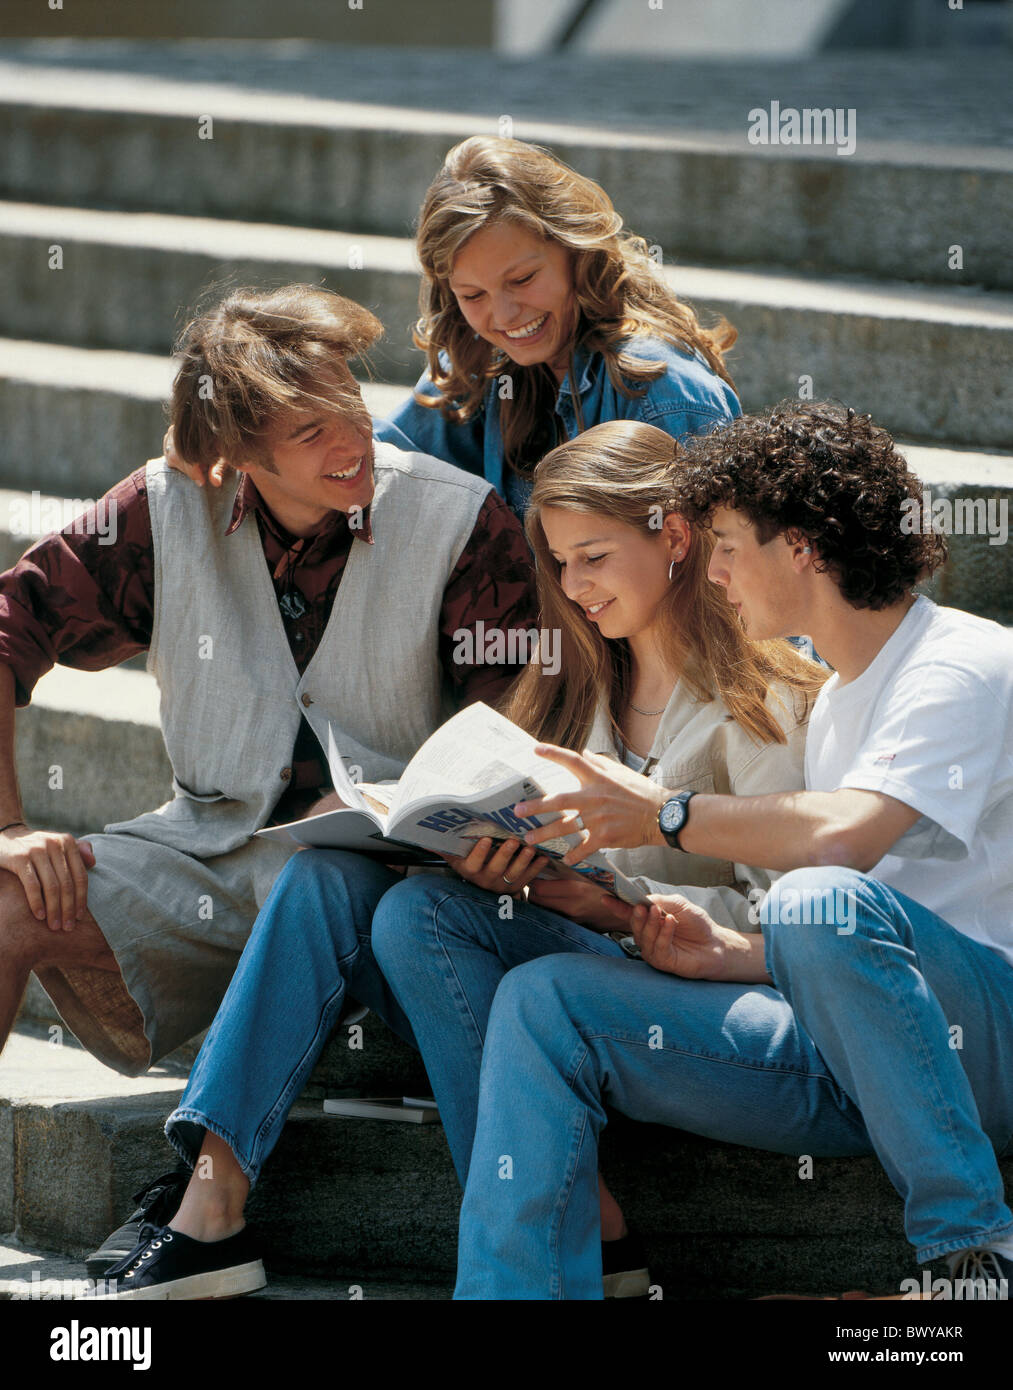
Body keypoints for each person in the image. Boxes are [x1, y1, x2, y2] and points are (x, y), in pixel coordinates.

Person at [0, 284, 535, 1280]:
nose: (348, 441)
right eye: (306, 430)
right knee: (4, 896)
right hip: (208, 860)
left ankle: (210, 1203)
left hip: (390, 897)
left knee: (315, 881)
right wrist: (8, 825)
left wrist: (408, 809)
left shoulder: (461, 521)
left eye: (348, 402)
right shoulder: (164, 510)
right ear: (235, 453)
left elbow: (516, 737)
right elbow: (7, 627)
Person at [449, 401, 1013, 1301]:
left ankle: (970, 1259)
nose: (708, 573)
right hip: (849, 1056)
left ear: (801, 546)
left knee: (815, 896)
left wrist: (665, 814)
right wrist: (731, 955)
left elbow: (846, 841)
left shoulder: (958, 663)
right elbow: (842, 954)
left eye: (724, 545)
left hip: (982, 1043)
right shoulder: (833, 701)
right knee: (543, 998)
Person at [369, 419, 825, 1296]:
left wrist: (609, 905)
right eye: (560, 564)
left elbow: (790, 916)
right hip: (592, 961)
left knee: (534, 991)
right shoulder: (576, 684)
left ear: (675, 535)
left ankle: (553, 1252)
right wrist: (504, 867)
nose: (573, 588)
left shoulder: (763, 697)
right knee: (413, 913)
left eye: (593, 557)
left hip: (694, 985)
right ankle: (568, 1232)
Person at [182, 136, 741, 524]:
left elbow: (734, 586)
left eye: (522, 278)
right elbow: (380, 457)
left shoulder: (664, 392)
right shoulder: (485, 370)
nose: (503, 316)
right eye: (472, 296)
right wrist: (231, 438)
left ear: (578, 252)